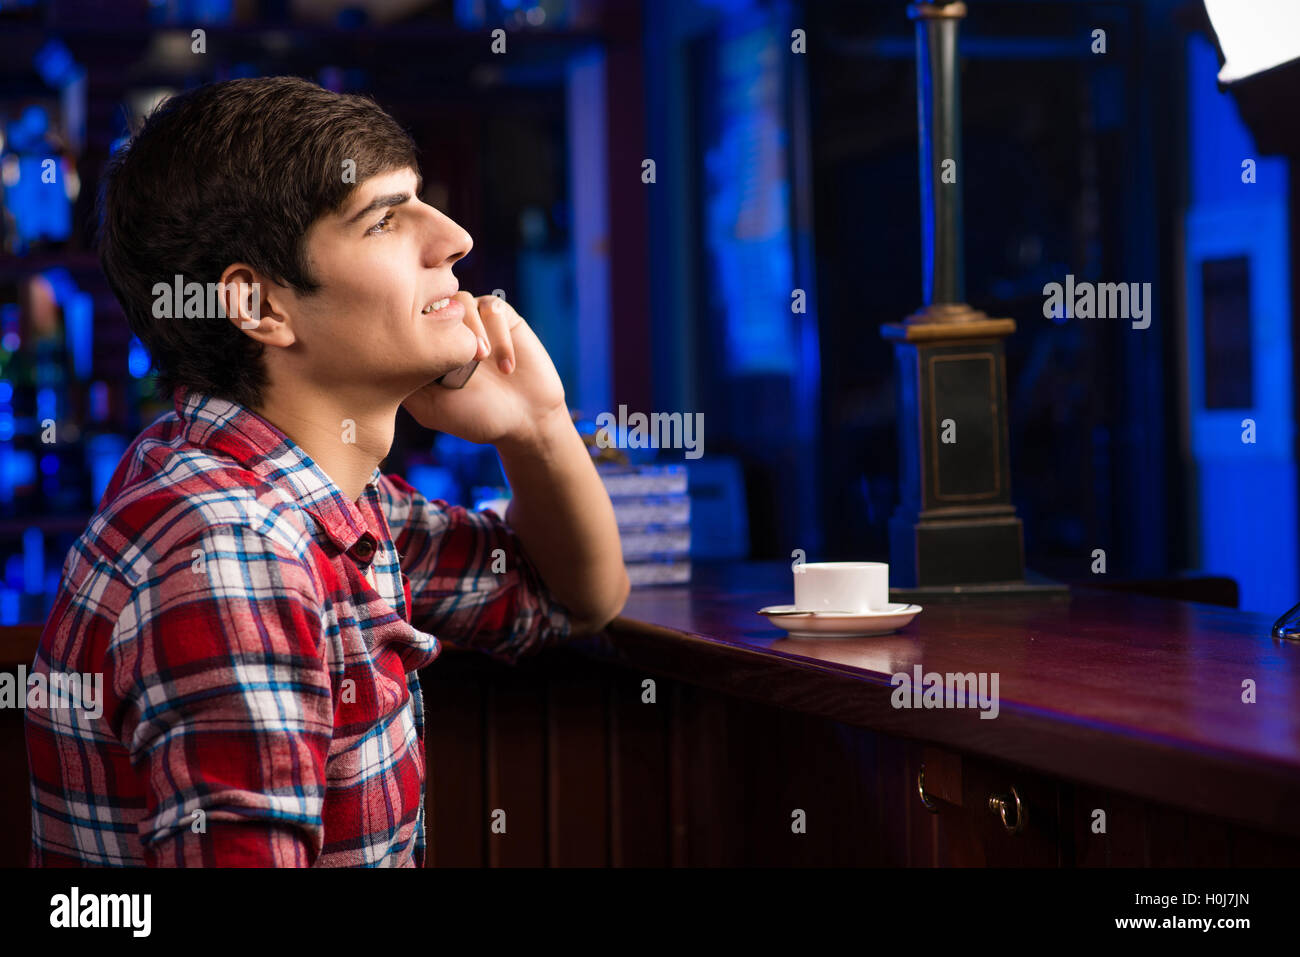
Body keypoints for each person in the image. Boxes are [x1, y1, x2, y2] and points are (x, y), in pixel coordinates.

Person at [24, 76, 629, 867]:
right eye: (383, 220)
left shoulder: (301, 492)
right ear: (261, 307)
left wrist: (537, 424)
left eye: (420, 201)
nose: (453, 237)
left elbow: (574, 595)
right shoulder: (235, 554)